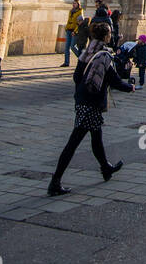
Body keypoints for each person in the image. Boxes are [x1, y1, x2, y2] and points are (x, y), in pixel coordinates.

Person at [47, 20, 134, 196]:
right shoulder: (104, 56)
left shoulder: (87, 52)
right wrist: (130, 87)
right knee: (73, 143)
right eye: (109, 33)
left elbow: (76, 76)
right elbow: (114, 81)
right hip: (91, 104)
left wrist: (83, 93)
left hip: (82, 101)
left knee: (96, 137)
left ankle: (105, 168)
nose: (111, 36)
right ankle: (55, 181)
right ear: (106, 36)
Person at [64, 0, 84, 65]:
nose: (73, 4)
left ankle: (81, 58)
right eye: (73, 3)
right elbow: (69, 20)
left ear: (78, 4)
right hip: (69, 30)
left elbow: (79, 23)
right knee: (66, 47)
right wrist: (66, 28)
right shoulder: (71, 11)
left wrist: (75, 31)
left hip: (74, 32)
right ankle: (66, 62)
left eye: (75, 3)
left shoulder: (80, 11)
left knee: (72, 46)